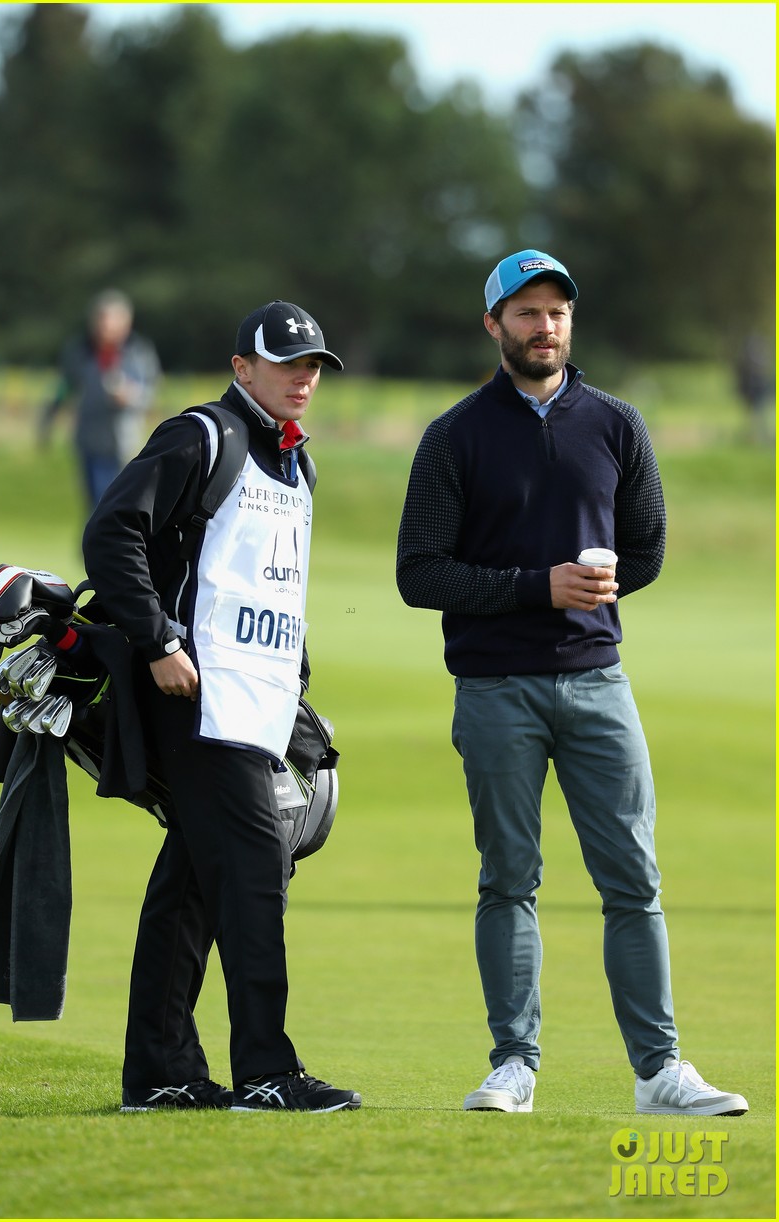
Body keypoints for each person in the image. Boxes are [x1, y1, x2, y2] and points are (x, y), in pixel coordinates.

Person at [396, 249, 749, 1117]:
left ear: (568, 322)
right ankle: (513, 1065)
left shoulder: (617, 424)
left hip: (596, 683)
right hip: (493, 688)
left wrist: (603, 586)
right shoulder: (454, 435)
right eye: (525, 313)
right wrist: (533, 587)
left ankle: (659, 1072)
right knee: (508, 877)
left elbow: (648, 543)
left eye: (555, 311)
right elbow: (419, 574)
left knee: (632, 878)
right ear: (494, 326)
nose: (543, 325)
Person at [82, 299, 361, 1114]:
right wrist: (160, 640)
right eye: (286, 364)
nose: (303, 379)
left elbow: (270, 588)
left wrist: (294, 691)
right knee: (251, 875)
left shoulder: (297, 463)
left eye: (312, 366)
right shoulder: (201, 434)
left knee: (194, 886)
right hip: (194, 697)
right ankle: (268, 1074)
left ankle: (159, 1073)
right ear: (243, 368)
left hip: (255, 702)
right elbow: (112, 535)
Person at [40, 289, 161, 510]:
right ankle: (96, 544)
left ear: (126, 322)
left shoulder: (139, 352)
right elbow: (64, 388)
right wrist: (48, 420)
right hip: (89, 441)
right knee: (97, 506)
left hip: (125, 444)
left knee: (123, 506)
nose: (105, 326)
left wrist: (131, 395)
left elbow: (150, 392)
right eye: (101, 319)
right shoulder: (79, 351)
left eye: (111, 320)